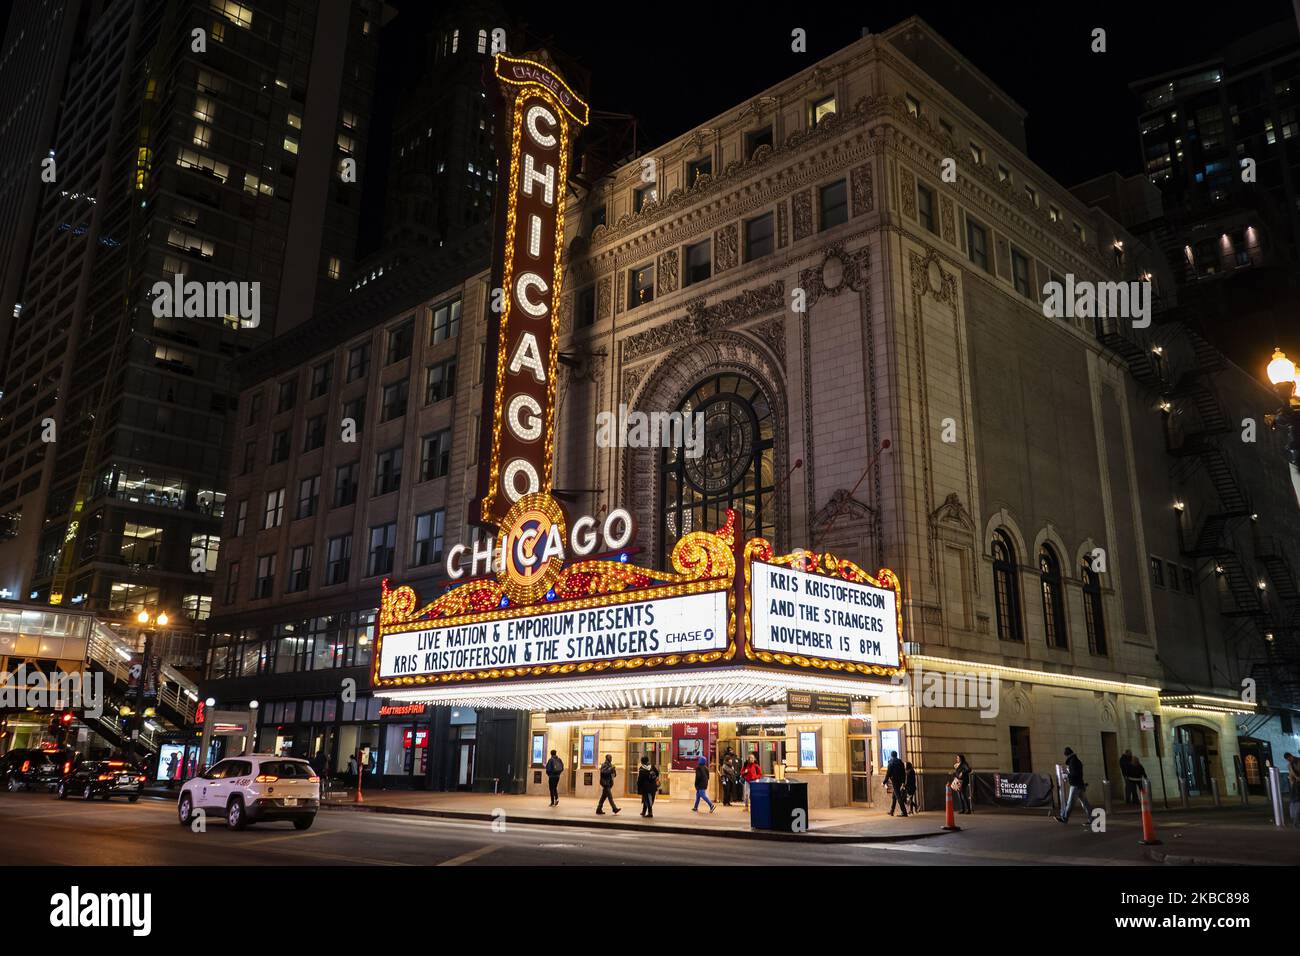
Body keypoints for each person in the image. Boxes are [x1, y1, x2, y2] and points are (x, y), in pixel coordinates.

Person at [1058, 746, 1095, 828]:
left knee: (1070, 803)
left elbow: (1074, 774)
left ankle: (1064, 818)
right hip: (1080, 784)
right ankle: (1092, 819)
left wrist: (1066, 775)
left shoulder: (1073, 762)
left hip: (1075, 785)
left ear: (1067, 755)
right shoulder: (1076, 760)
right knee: (1085, 803)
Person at [886, 751, 908, 816]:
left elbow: (888, 773)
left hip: (895, 781)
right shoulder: (900, 762)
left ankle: (904, 812)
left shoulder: (891, 762)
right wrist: (903, 782)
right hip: (900, 781)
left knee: (898, 797)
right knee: (894, 796)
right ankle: (892, 811)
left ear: (891, 755)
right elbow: (904, 773)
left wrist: (884, 781)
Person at [1285, 752, 1300, 828]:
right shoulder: (1289, 765)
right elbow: (1291, 774)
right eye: (1287, 760)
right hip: (1296, 785)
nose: (1289, 760)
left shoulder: (1298, 761)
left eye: (1289, 758)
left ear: (1291, 756)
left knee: (1296, 802)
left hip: (1297, 784)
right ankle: (1296, 822)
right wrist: (1291, 780)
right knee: (1296, 802)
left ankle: (1296, 822)